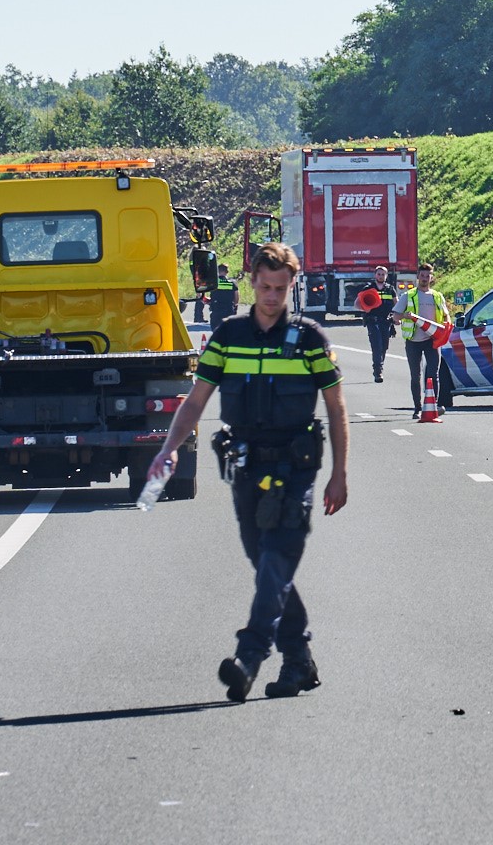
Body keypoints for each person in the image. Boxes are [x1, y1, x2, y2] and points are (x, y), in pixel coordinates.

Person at [149, 242, 350, 702]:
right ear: (251, 282)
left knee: (276, 560)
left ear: (292, 286)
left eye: (281, 288)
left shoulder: (311, 339)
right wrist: (170, 448)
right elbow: (197, 399)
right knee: (264, 564)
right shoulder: (228, 336)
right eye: (265, 287)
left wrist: (340, 474)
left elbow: (336, 408)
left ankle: (249, 658)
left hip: (296, 468)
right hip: (243, 465)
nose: (272, 296)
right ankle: (298, 661)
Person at [390, 261, 451, 411]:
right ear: (418, 276)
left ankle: (432, 406)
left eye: (427, 276)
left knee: (433, 374)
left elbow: (446, 316)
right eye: (422, 275)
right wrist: (406, 315)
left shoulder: (437, 296)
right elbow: (395, 317)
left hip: (432, 341)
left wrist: (446, 326)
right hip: (413, 341)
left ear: (432, 278)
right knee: (415, 376)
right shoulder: (408, 296)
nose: (424, 278)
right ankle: (417, 408)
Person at [361, 265, 397, 383]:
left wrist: (396, 317)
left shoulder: (390, 289)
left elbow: (396, 304)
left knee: (384, 346)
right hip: (373, 321)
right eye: (379, 274)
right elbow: (358, 302)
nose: (381, 276)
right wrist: (364, 309)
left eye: (383, 274)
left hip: (386, 322)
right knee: (377, 346)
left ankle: (379, 366)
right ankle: (378, 371)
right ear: (375, 275)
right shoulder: (369, 288)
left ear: (386, 276)